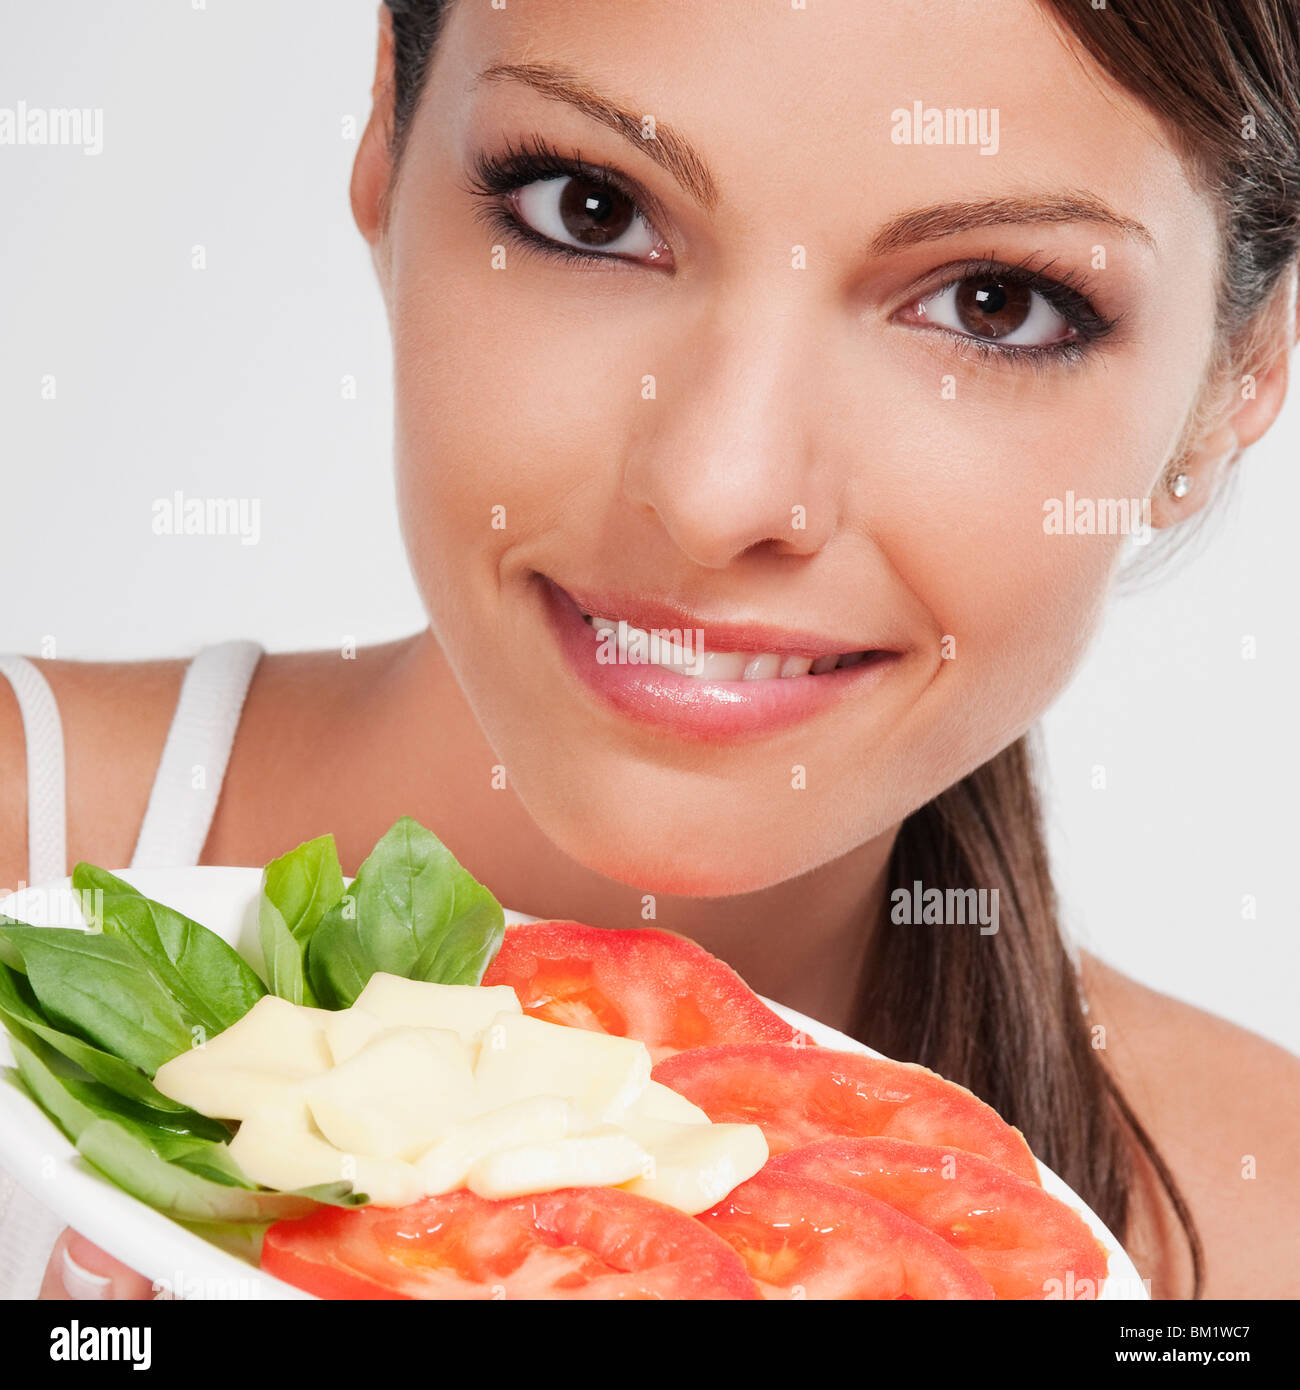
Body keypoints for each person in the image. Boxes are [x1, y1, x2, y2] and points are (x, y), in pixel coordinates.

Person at [4, 0, 1299, 1301]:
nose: (718, 489)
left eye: (992, 305)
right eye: (591, 209)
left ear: (1241, 370)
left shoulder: (1254, 1230)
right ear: (386, 141)